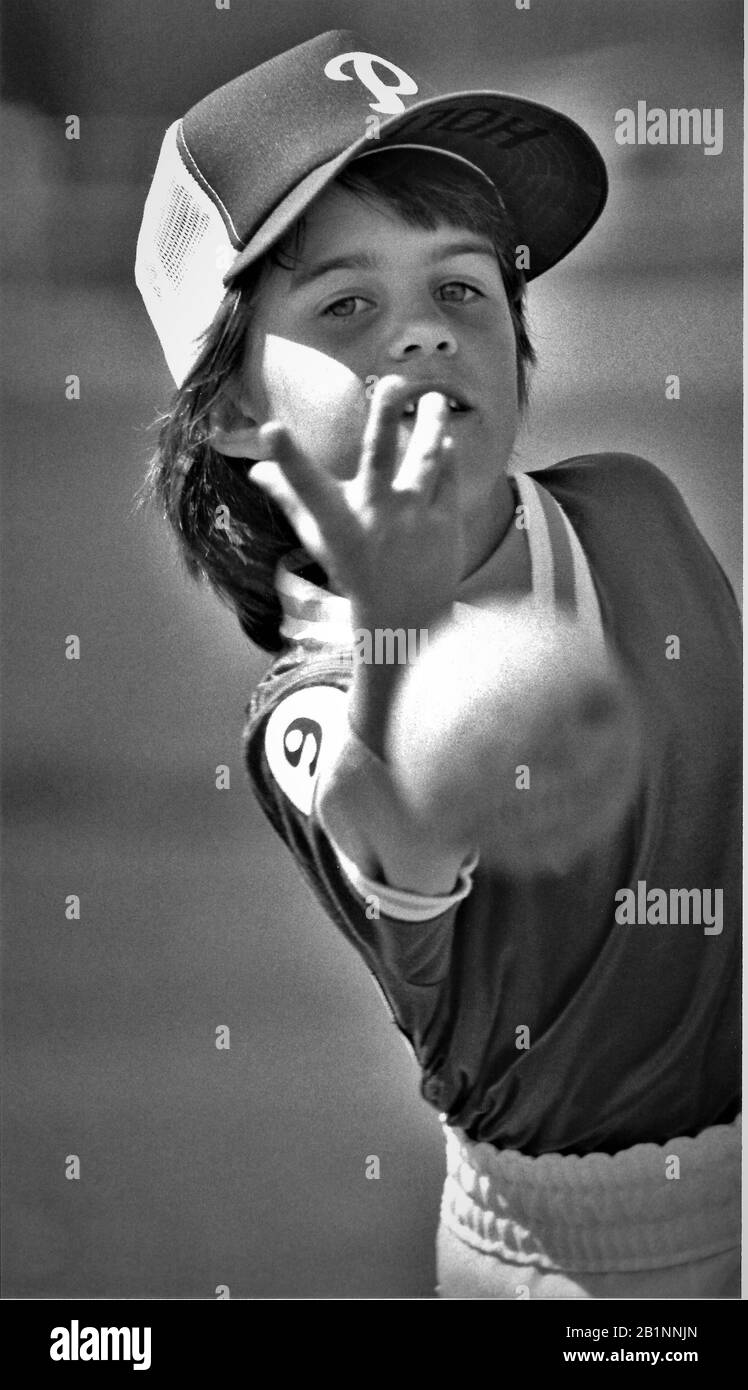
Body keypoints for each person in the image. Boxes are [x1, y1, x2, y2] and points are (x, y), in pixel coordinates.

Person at [135, 29, 741, 1298]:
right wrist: (402, 628)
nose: (419, 334)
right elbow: (401, 840)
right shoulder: (309, 709)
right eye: (347, 303)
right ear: (236, 406)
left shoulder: (632, 511)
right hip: (573, 1265)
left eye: (462, 288)